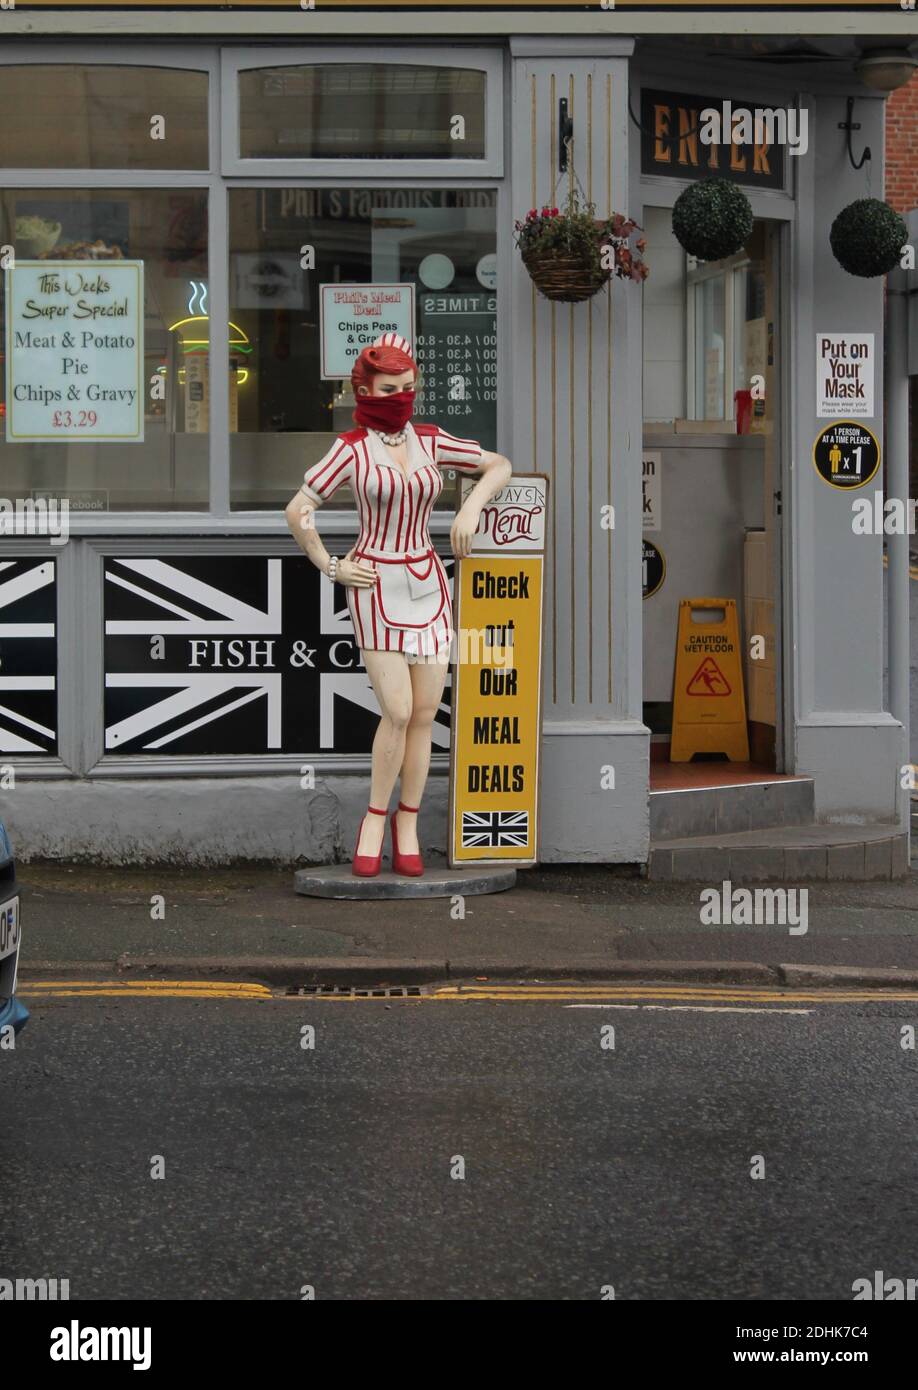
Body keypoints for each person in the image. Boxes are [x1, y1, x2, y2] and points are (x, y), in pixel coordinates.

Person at [285, 332, 512, 877]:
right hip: (374, 581)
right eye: (390, 388)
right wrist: (332, 566)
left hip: (429, 581)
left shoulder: (431, 439)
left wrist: (471, 508)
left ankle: (407, 824)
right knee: (399, 709)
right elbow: (299, 510)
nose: (401, 397)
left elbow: (498, 464)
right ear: (364, 389)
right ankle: (373, 819)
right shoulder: (350, 449)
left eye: (409, 387)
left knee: (428, 714)